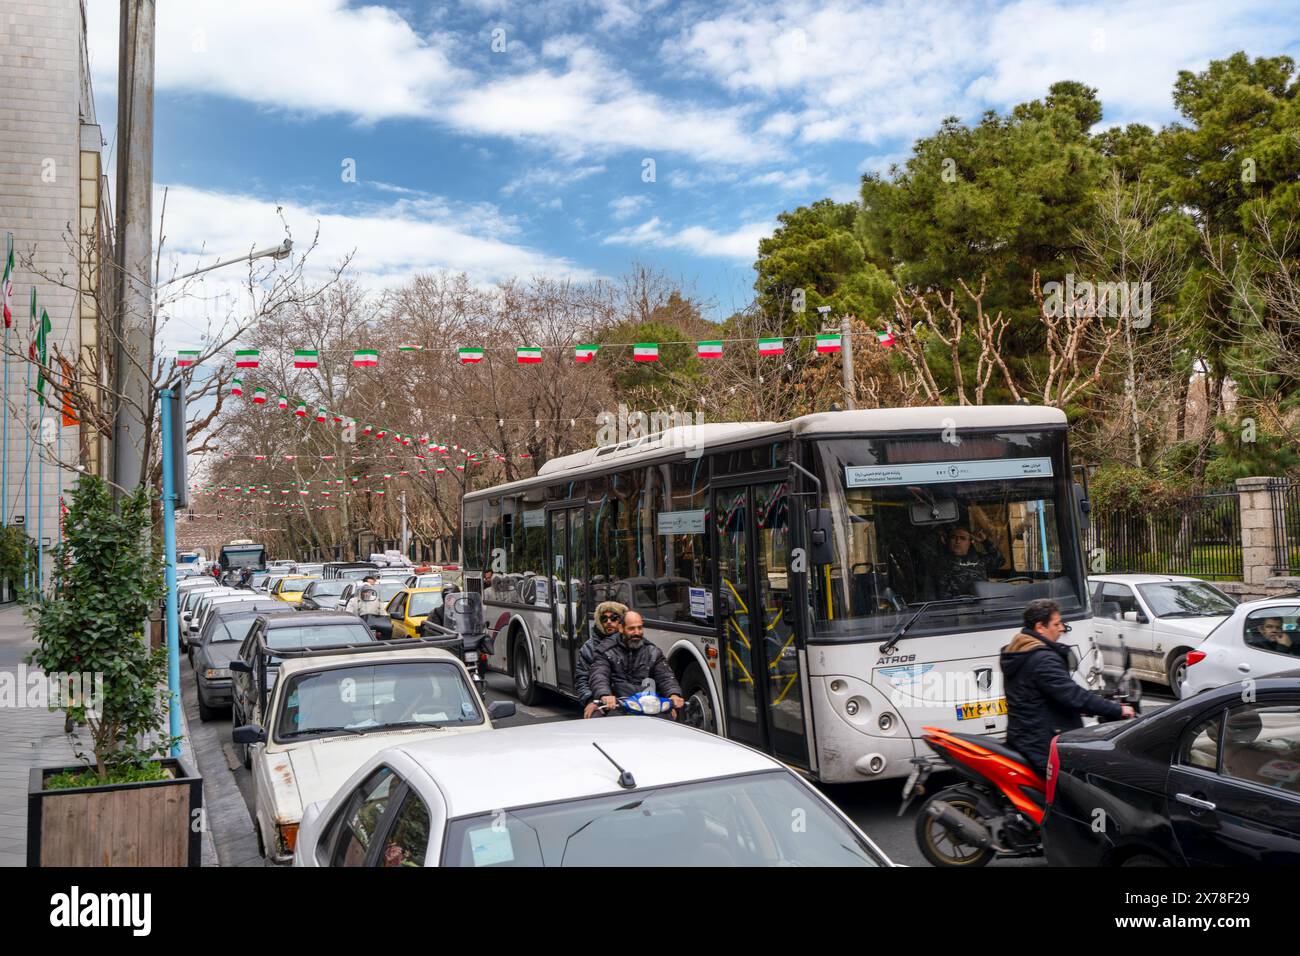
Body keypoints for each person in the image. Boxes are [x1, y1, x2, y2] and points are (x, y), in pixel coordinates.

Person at [1001, 599, 1134, 772]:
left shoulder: (1019, 651)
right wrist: (1117, 709)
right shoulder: (1042, 659)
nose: (1062, 628)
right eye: (1056, 624)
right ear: (1040, 627)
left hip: (1025, 736)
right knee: (1077, 784)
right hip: (1042, 743)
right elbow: (1072, 695)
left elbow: (1051, 694)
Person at [588, 611, 684, 717]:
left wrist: (674, 694)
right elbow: (599, 675)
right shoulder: (606, 651)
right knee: (596, 716)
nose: (637, 632)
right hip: (618, 707)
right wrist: (605, 695)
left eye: (640, 628)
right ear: (621, 628)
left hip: (649, 706)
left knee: (670, 718)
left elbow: (666, 677)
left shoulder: (653, 652)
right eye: (631, 628)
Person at [578, 601, 627, 718]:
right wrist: (591, 701)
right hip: (600, 701)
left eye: (614, 618)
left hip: (629, 700)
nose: (609, 622)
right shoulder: (589, 648)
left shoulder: (632, 644)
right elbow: (582, 678)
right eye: (604, 619)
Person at [931, 524, 1003, 599]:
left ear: (970, 542)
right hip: (954, 607)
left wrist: (985, 541)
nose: (957, 541)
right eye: (953, 537)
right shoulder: (940, 562)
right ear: (948, 540)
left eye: (962, 538)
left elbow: (999, 560)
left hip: (983, 604)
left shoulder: (979, 559)